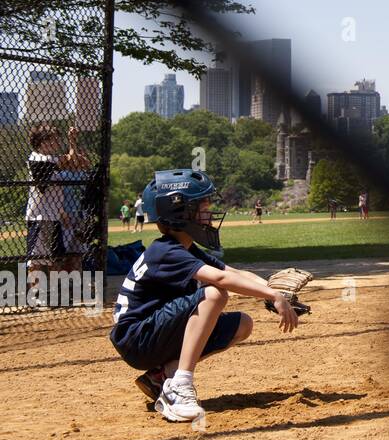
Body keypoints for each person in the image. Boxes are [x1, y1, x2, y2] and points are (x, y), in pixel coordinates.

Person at [108, 169, 299, 422]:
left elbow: (231, 271)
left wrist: (271, 291)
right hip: (137, 338)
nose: (209, 213)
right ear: (179, 213)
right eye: (203, 207)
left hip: (151, 333)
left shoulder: (183, 247)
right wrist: (271, 295)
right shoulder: (165, 252)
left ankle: (163, 376)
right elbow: (221, 280)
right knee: (214, 294)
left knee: (242, 324)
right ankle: (179, 387)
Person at [25, 125, 89, 305]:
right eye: (51, 139)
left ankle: (53, 295)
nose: (56, 143)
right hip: (39, 217)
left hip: (53, 217)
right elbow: (67, 160)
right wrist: (71, 145)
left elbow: (75, 162)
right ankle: (36, 296)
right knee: (36, 259)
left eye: (56, 139)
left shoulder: (51, 159)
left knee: (55, 258)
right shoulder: (37, 158)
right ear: (41, 142)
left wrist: (72, 142)